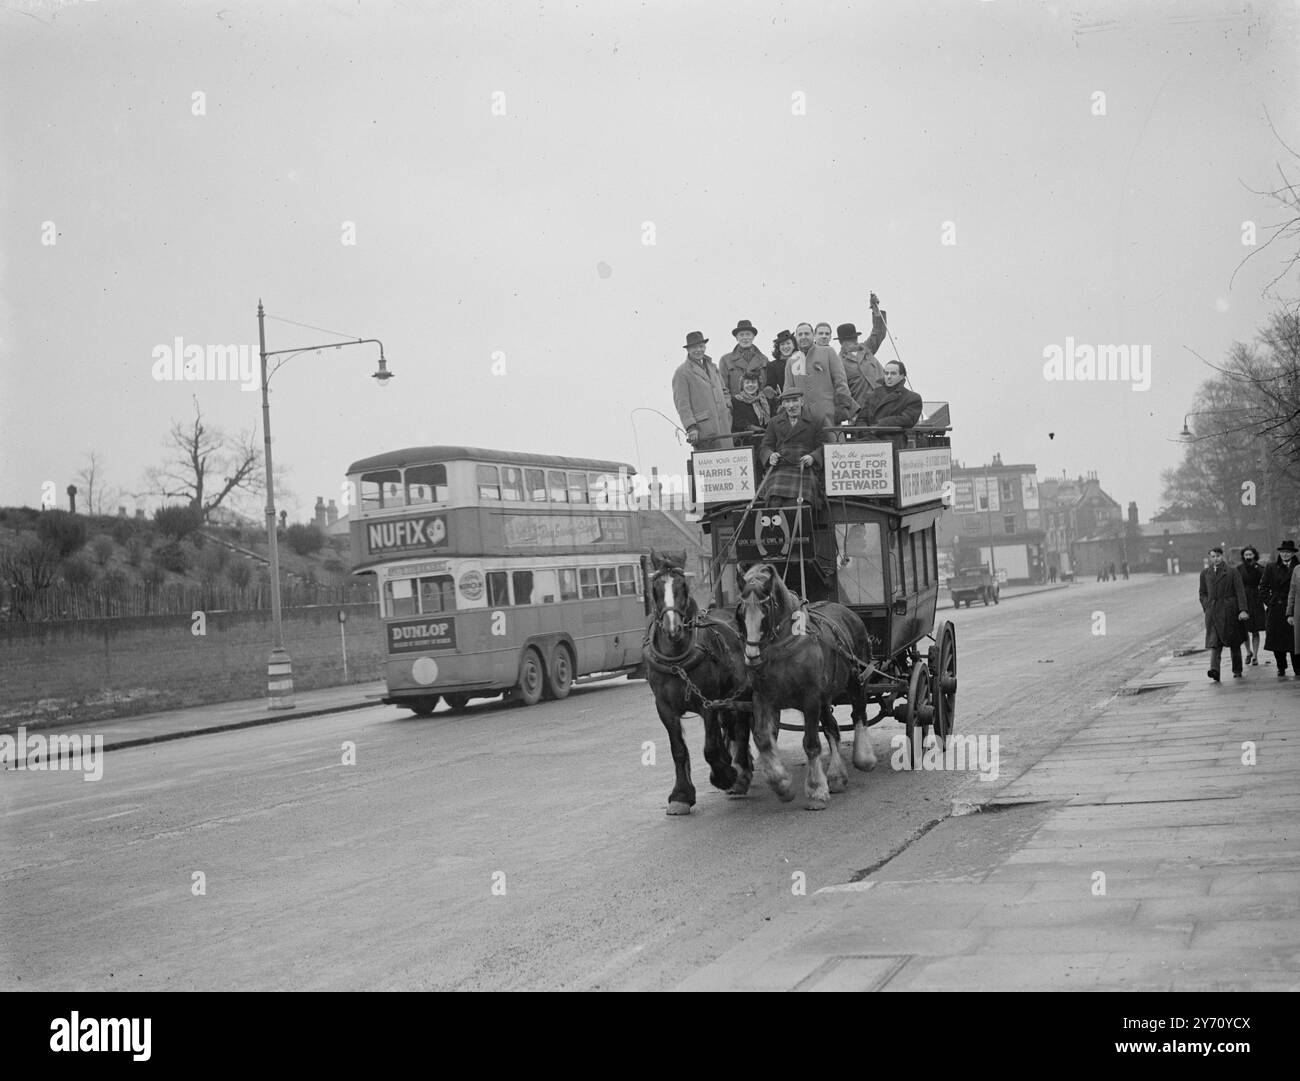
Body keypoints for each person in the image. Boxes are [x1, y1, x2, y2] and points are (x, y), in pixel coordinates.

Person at [783, 322, 854, 434]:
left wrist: (842, 407)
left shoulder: (828, 352)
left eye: (806, 333)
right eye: (800, 334)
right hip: (802, 420)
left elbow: (840, 381)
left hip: (828, 417)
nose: (803, 337)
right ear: (796, 338)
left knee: (833, 449)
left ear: (813, 335)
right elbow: (788, 389)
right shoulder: (791, 360)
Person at [758, 388, 826, 503]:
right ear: (783, 404)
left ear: (802, 402)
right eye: (787, 402)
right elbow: (765, 446)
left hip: (805, 468)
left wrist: (813, 457)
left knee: (801, 498)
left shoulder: (816, 421)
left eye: (795, 401)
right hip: (781, 467)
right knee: (774, 493)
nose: (791, 405)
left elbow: (822, 446)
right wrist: (770, 456)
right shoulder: (774, 422)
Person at [671, 330, 731, 450]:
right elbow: (682, 405)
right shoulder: (682, 373)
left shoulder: (713, 367)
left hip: (725, 427)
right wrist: (691, 427)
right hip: (704, 430)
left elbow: (725, 391)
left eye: (701, 346)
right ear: (688, 350)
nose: (698, 350)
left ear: (705, 347)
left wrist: (728, 409)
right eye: (694, 347)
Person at [1199, 546, 1249, 682]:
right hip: (1213, 612)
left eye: (1218, 556)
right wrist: (1207, 605)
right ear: (1210, 558)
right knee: (1215, 643)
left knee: (1234, 642)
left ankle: (1237, 670)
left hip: (1230, 612)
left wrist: (1242, 610)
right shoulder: (1205, 574)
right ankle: (1215, 671)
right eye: (1213, 556)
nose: (1216, 559)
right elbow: (1202, 593)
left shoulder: (1232, 572)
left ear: (1223, 556)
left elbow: (1240, 592)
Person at [1262, 539, 1300, 678]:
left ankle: (1297, 667)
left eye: (1288, 552)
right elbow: (1263, 587)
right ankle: (1281, 667)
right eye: (1283, 552)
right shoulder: (1271, 567)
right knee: (1277, 641)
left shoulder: (1297, 567)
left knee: (1294, 640)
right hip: (1276, 609)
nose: (1285, 555)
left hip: (1294, 608)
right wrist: (1270, 602)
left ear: (1292, 553)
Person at [856, 360, 923, 435]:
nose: (889, 377)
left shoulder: (912, 398)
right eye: (886, 373)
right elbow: (861, 419)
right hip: (868, 440)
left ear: (902, 376)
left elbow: (906, 419)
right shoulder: (872, 395)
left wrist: (878, 426)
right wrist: (864, 432)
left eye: (893, 374)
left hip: (893, 441)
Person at [718, 320, 767, 404]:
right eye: (741, 335)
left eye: (748, 334)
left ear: (753, 336)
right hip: (736, 407)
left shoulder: (764, 360)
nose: (745, 338)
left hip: (759, 406)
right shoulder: (725, 360)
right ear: (737, 338)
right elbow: (723, 388)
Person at [1237, 545, 1266, 665]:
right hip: (1244, 599)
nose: (1248, 557)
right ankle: (1248, 651)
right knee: (1244, 629)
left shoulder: (1259, 568)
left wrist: (1256, 567)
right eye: (1246, 555)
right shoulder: (1239, 569)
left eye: (1250, 554)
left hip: (1256, 599)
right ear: (1243, 556)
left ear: (1254, 555)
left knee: (1255, 629)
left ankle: (1255, 655)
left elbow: (1265, 579)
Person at [766, 330, 796, 401]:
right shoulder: (772, 365)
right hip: (784, 401)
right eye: (782, 344)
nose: (785, 346)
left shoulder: (801, 361)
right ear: (778, 347)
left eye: (788, 343)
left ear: (794, 345)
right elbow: (771, 386)